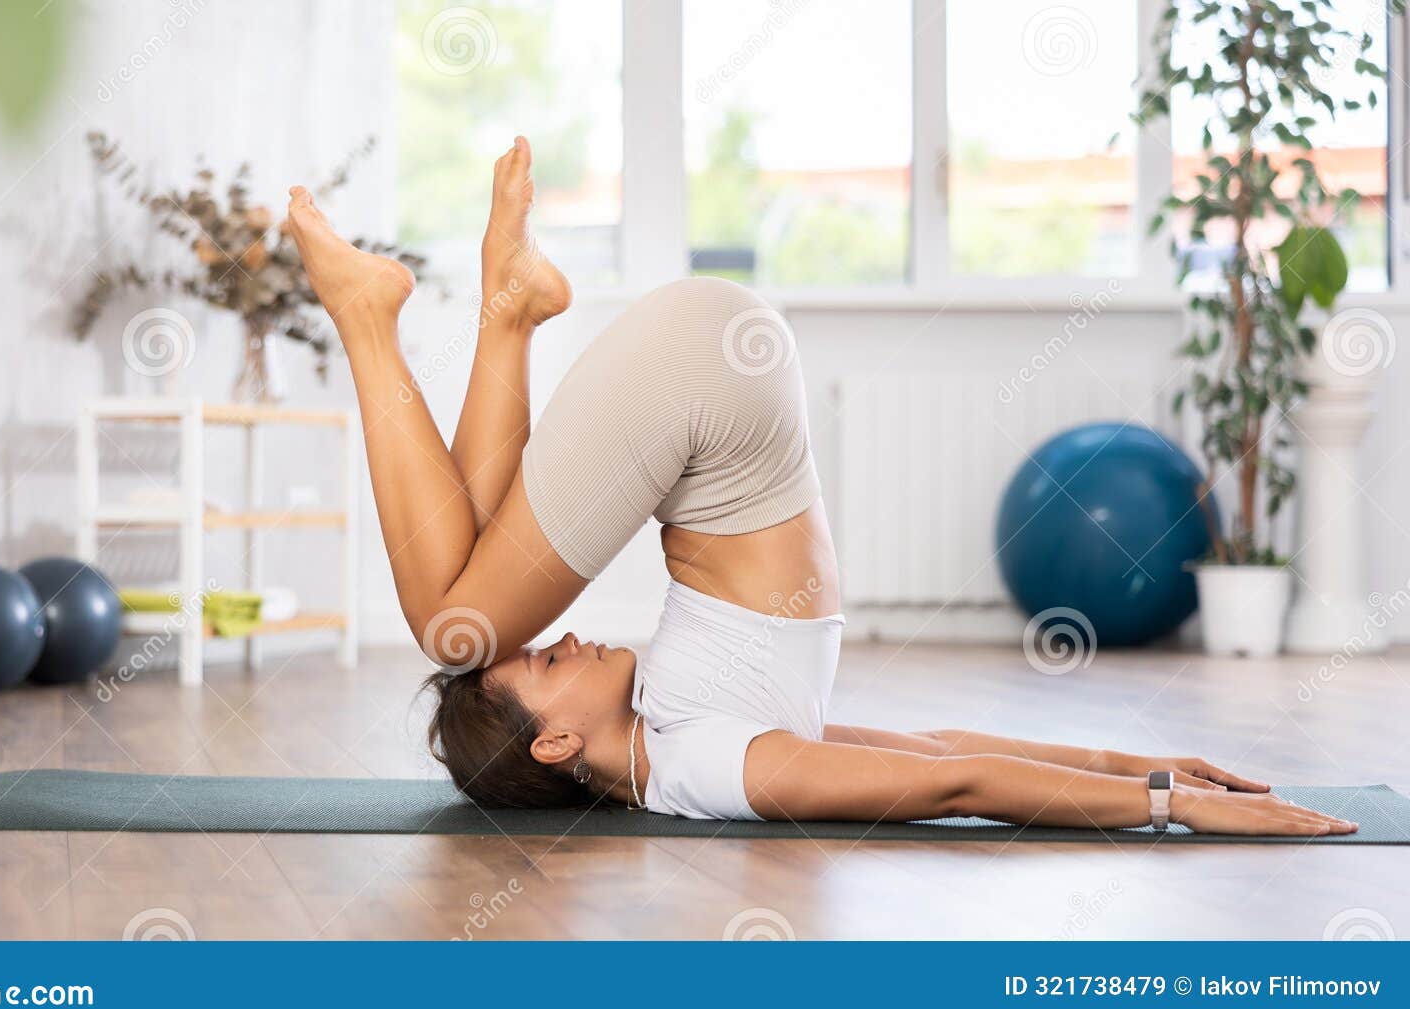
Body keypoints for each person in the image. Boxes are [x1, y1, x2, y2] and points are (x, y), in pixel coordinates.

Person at [284, 137, 1355, 837]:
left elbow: (947, 774)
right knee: (460, 607)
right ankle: (501, 310)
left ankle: (380, 318)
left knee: (454, 621)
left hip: (707, 380)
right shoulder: (704, 763)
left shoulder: (681, 731)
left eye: (554, 641)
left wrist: (1160, 795)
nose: (572, 637)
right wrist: (1155, 777)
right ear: (556, 743)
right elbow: (945, 768)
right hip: (710, 375)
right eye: (554, 661)